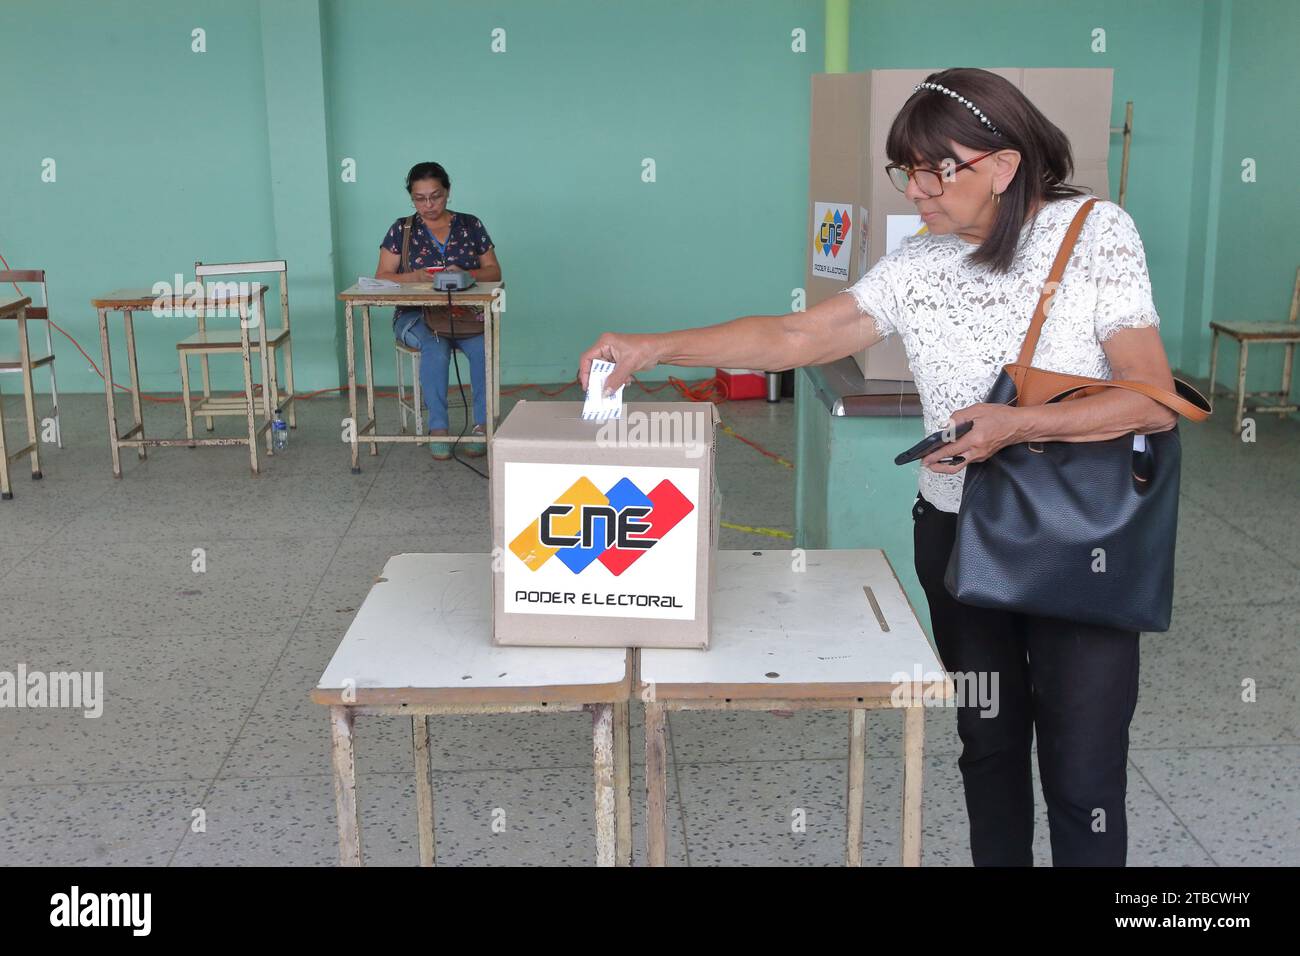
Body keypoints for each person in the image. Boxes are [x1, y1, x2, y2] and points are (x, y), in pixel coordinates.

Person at [578, 68, 1180, 866]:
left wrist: (1018, 424)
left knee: (1084, 768)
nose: (917, 191)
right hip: (960, 539)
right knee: (988, 744)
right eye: (907, 171)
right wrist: (654, 348)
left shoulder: (1095, 232)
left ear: (1002, 165)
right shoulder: (919, 266)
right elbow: (795, 338)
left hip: (1079, 543)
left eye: (938, 170)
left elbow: (1152, 400)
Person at [375, 161, 502, 458]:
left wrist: (468, 274)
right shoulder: (402, 229)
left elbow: (494, 271)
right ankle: (439, 427)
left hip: (464, 314)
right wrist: (415, 277)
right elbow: (382, 278)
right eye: (420, 198)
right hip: (415, 315)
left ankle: (483, 426)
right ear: (411, 198)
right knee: (435, 347)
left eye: (436, 196)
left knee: (483, 347)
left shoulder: (470, 225)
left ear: (448, 192)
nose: (429, 205)